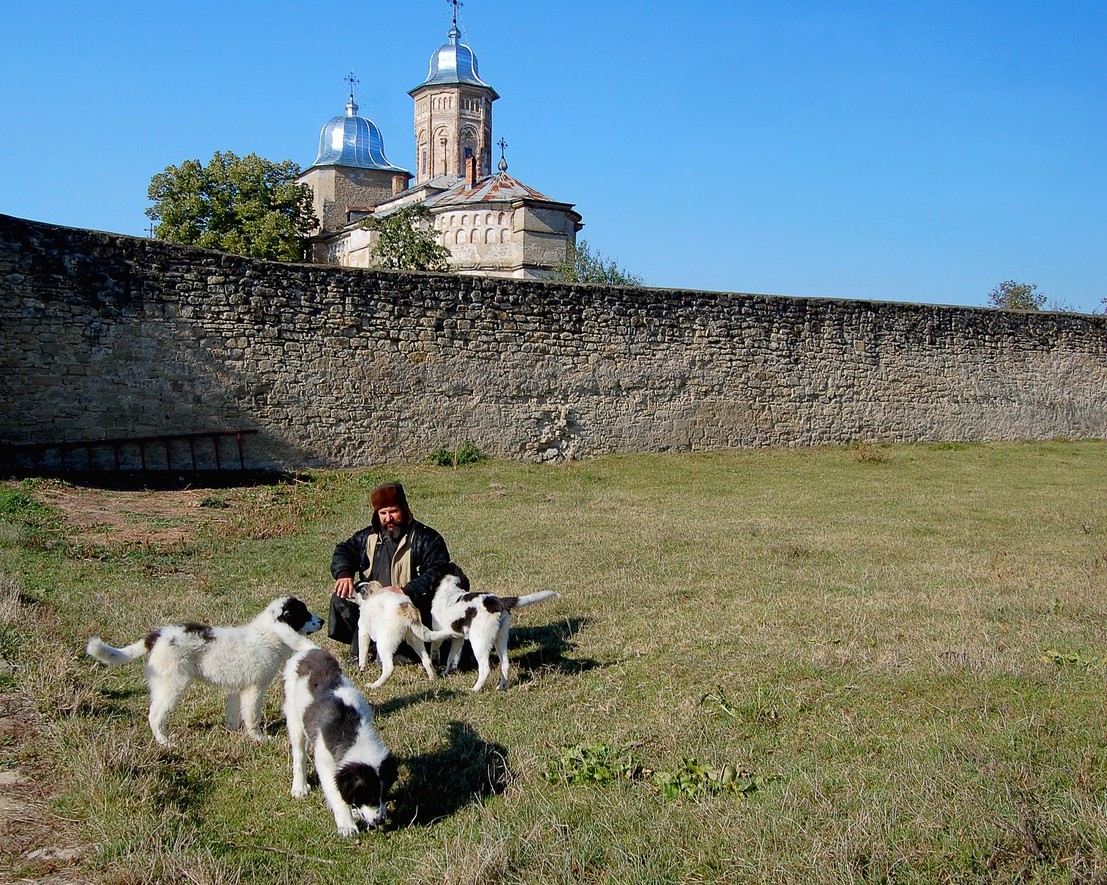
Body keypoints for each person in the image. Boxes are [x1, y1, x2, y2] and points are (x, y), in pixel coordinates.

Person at [328, 481, 450, 662]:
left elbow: (439, 570)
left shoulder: (427, 538)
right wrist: (343, 573)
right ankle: (370, 647)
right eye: (383, 513)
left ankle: (404, 649)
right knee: (340, 598)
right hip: (376, 607)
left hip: (409, 608)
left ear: (404, 509)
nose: (388, 518)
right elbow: (344, 550)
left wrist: (406, 590)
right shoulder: (367, 537)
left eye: (393, 511)